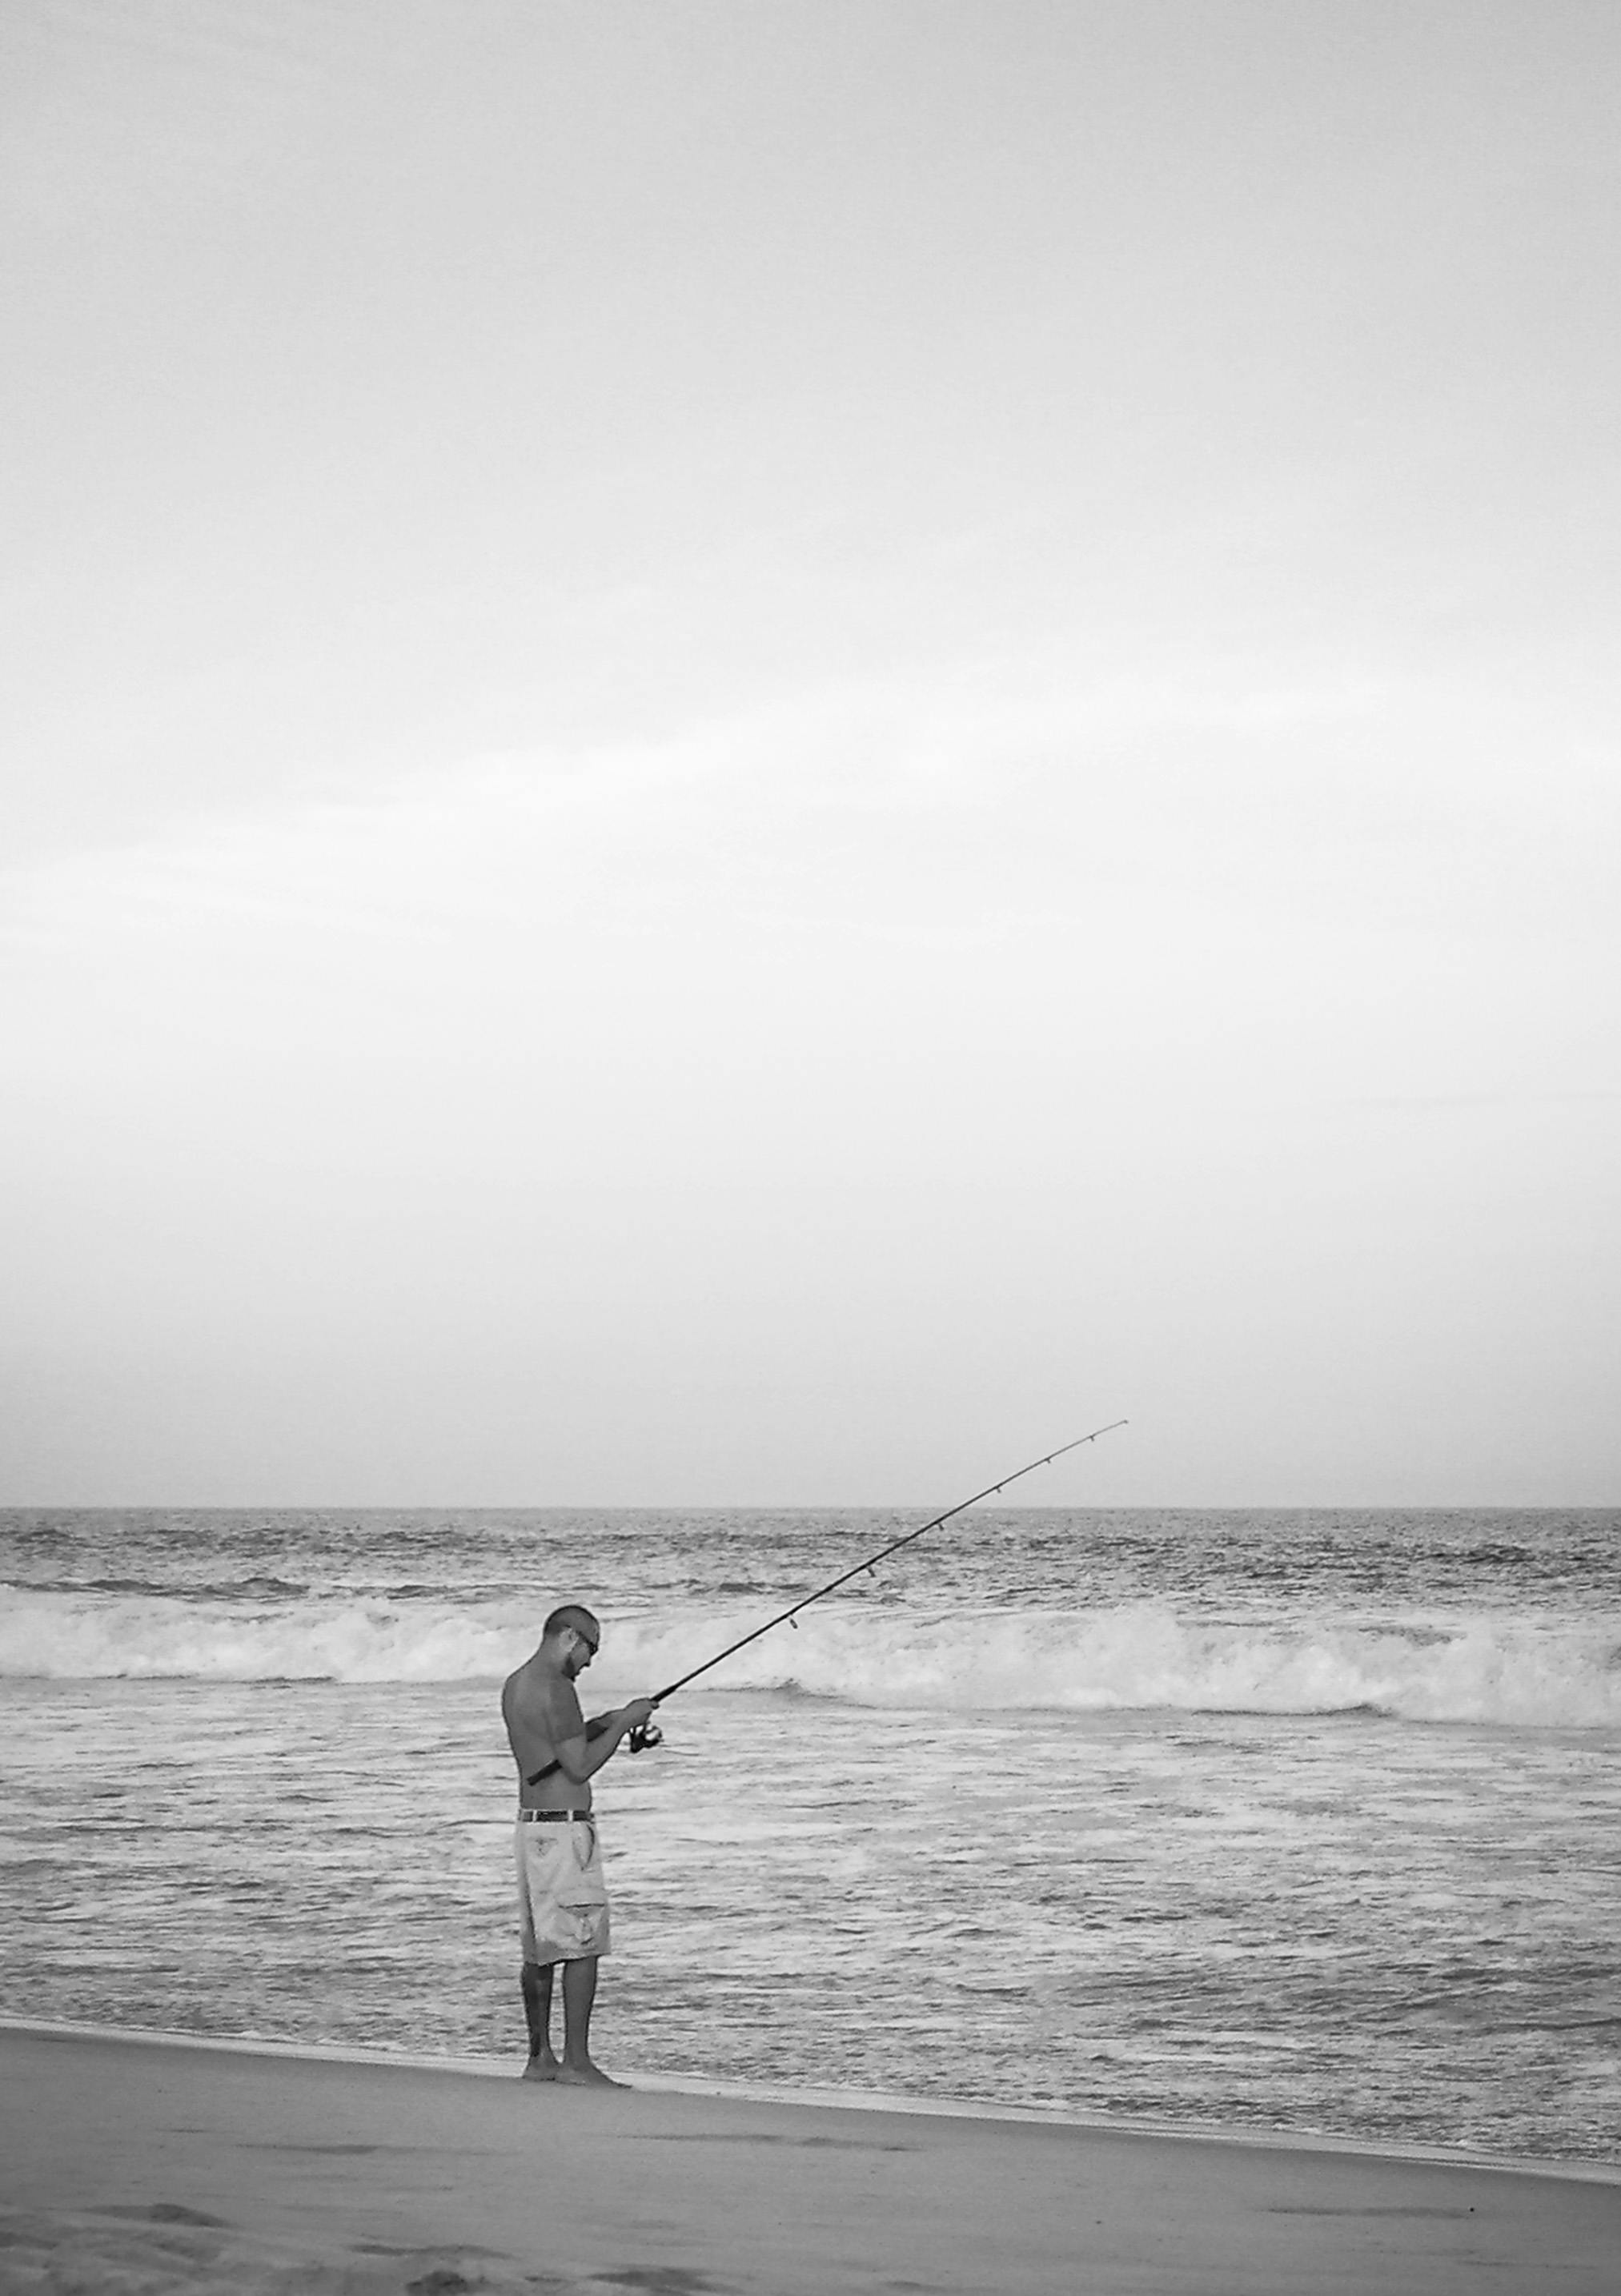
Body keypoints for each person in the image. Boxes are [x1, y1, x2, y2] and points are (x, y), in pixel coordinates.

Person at [501, 1604, 656, 2087]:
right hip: (566, 1831)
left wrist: (610, 1721)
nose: (589, 1661)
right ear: (569, 1637)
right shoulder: (559, 1688)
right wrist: (625, 1721)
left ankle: (540, 2058)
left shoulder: (519, 1683)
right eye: (591, 1648)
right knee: (583, 1944)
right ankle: (578, 2064)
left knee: (540, 1949)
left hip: (532, 1828)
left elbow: (554, 1749)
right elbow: (580, 1766)